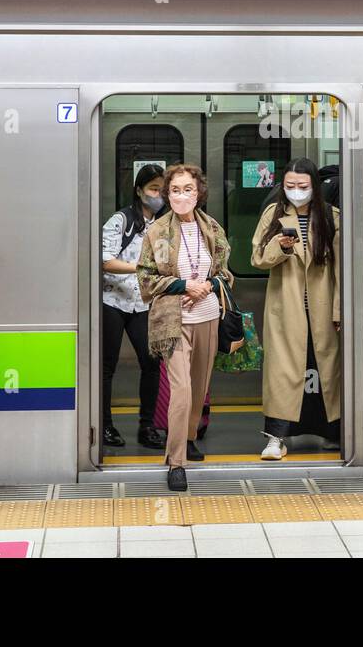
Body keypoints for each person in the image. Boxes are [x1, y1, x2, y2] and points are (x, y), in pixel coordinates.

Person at [136, 163, 233, 491]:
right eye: (174, 190)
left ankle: (188, 437)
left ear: (199, 192)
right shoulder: (157, 232)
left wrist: (207, 284)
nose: (181, 196)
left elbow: (224, 272)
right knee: (181, 390)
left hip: (208, 317)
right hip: (172, 323)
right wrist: (184, 287)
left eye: (187, 189)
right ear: (167, 194)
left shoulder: (212, 229)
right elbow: (146, 279)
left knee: (199, 388)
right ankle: (176, 461)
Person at [251, 157, 342, 461]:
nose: (296, 191)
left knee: (326, 370)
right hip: (286, 308)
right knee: (283, 372)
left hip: (322, 307)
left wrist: (340, 310)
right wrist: (282, 246)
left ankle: (334, 433)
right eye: (290, 185)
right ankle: (276, 437)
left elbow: (341, 269)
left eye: (302, 186)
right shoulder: (273, 215)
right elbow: (258, 259)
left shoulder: (332, 216)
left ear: (314, 186)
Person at [99, 164, 167, 450]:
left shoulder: (165, 225)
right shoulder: (121, 220)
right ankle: (104, 425)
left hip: (144, 303)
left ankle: (147, 425)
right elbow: (105, 261)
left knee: (151, 363)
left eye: (162, 190)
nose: (158, 195)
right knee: (106, 367)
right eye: (153, 189)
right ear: (139, 191)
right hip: (113, 300)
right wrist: (141, 268)